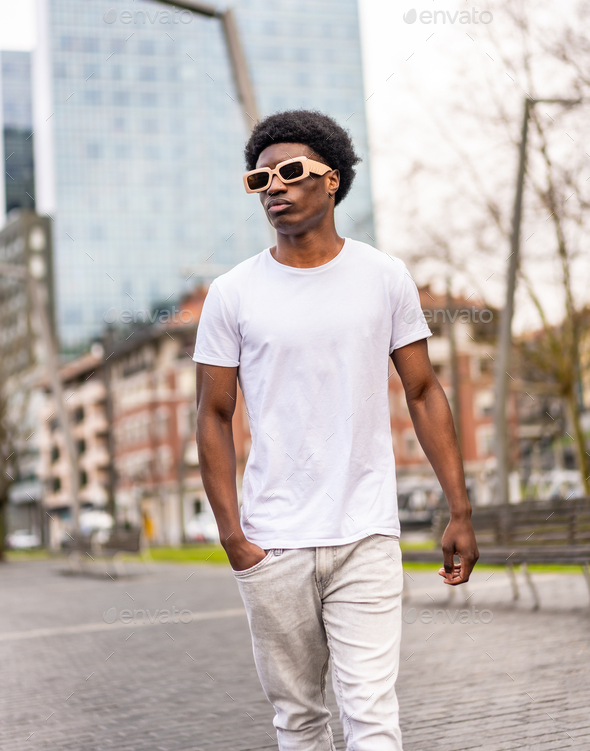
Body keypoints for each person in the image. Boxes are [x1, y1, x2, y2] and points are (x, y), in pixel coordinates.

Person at [194, 110, 478, 750]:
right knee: (298, 722)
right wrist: (235, 538)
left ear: (333, 180)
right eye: (259, 177)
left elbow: (425, 391)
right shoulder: (232, 292)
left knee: (373, 717)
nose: (274, 186)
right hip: (274, 543)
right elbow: (212, 416)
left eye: (290, 172)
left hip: (366, 535)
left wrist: (459, 509)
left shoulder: (384, 276)